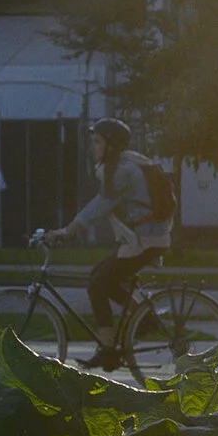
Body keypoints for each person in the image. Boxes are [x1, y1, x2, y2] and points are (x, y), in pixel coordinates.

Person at [40, 118, 173, 368]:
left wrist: (66, 232)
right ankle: (144, 318)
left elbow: (99, 207)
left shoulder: (123, 171)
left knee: (98, 285)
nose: (92, 147)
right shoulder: (122, 166)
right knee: (98, 276)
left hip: (147, 240)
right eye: (92, 141)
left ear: (111, 146)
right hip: (146, 238)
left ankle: (108, 348)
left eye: (97, 142)